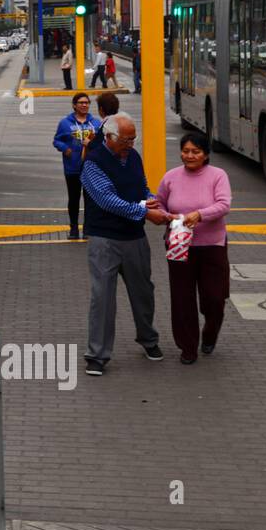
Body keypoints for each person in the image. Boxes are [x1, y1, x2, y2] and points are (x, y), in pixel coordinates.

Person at [80, 112, 169, 375]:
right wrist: (144, 213)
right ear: (108, 137)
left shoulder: (133, 157)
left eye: (133, 139)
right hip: (104, 239)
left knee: (144, 293)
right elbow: (107, 200)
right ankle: (97, 355)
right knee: (103, 298)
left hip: (135, 238)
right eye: (126, 140)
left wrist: (153, 201)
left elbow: (142, 189)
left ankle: (148, 339)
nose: (130, 145)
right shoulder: (93, 163)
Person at [155, 132, 232, 365]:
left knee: (214, 298)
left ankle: (210, 333)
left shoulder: (218, 176)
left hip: (212, 245)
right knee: (182, 299)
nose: (190, 155)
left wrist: (200, 215)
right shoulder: (171, 177)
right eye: (186, 151)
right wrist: (166, 216)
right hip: (179, 245)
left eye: (195, 151)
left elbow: (223, 204)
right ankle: (187, 348)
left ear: (205, 154)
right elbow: (159, 202)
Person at [52, 93, 98, 240]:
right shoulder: (65, 123)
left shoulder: (95, 124)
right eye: (81, 103)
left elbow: (102, 143)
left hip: (91, 168)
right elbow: (56, 140)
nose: (84, 105)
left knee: (90, 199)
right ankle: (73, 228)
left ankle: (87, 229)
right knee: (74, 199)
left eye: (86, 103)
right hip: (72, 168)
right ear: (74, 105)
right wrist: (65, 149)